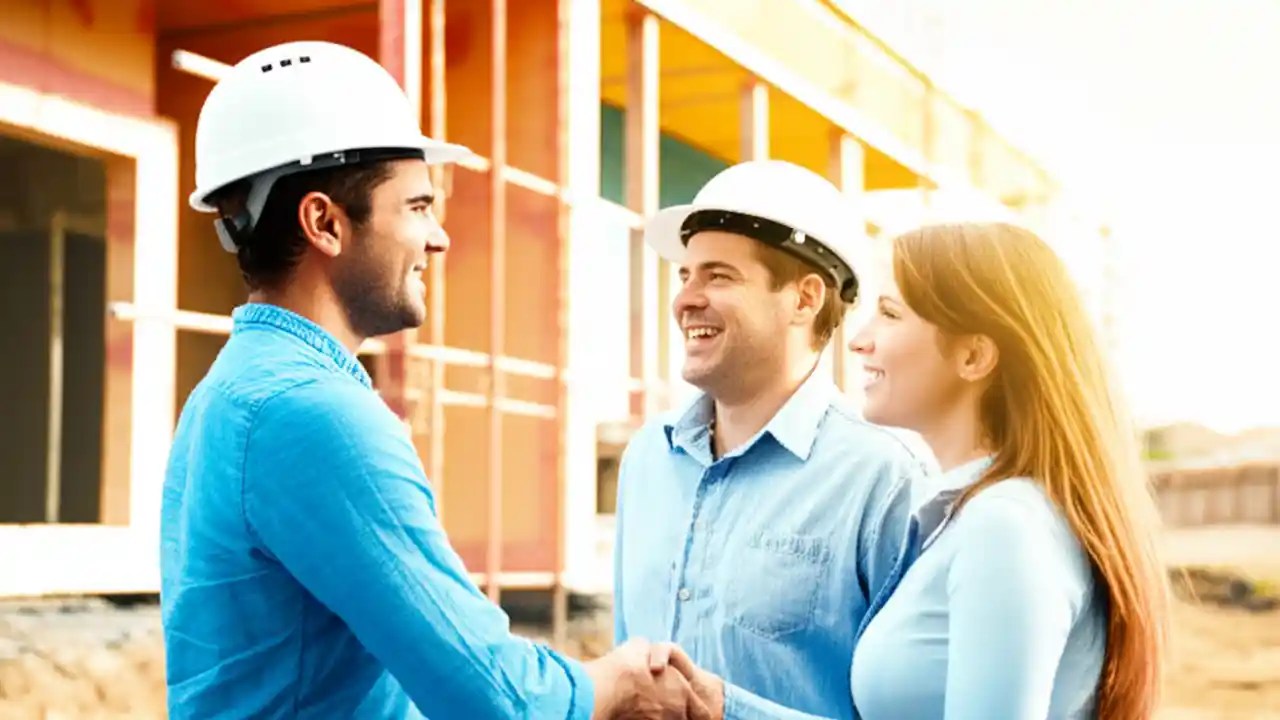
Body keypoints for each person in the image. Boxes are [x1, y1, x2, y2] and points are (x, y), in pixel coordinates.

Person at [160, 40, 709, 720]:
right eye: (418, 207)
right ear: (324, 223)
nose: (439, 238)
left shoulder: (232, 391)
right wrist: (620, 680)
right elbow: (495, 697)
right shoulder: (310, 413)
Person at [612, 160, 934, 719]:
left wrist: (723, 710)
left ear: (805, 299)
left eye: (718, 276)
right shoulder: (646, 457)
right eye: (685, 276)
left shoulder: (885, 479)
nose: (685, 299)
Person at [846, 222, 1169, 719]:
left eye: (889, 313)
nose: (859, 341)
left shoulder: (1004, 525)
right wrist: (725, 707)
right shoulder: (973, 517)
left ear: (973, 355)